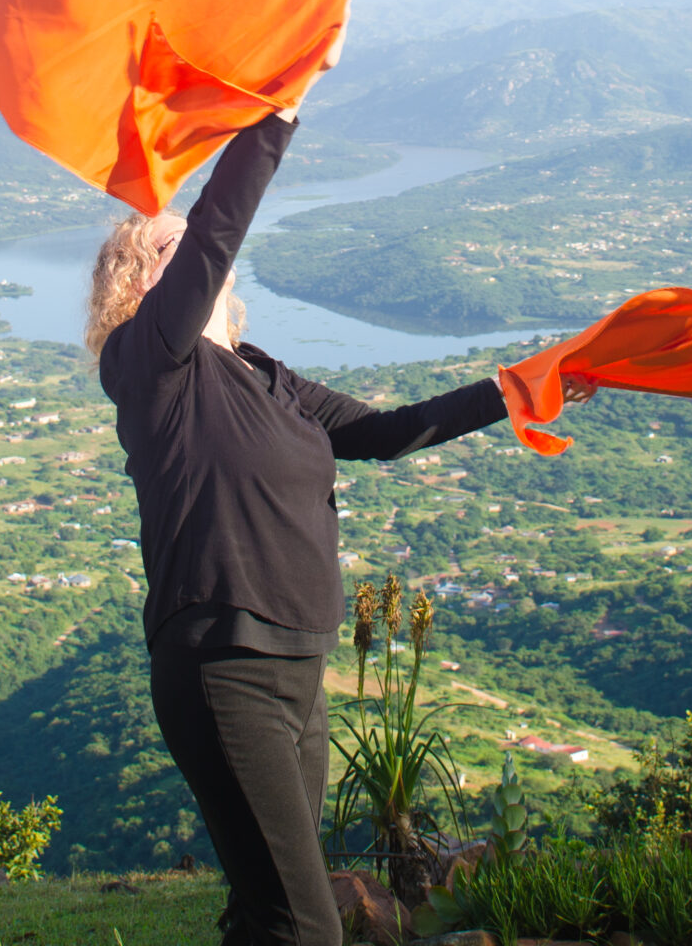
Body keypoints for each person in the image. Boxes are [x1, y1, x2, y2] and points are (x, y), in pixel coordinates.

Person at [86, 112, 591, 946]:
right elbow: (218, 227)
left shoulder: (263, 376)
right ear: (143, 280)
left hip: (297, 669)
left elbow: (388, 432)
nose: (208, 250)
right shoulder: (147, 367)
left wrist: (523, 390)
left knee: (267, 913)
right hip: (223, 669)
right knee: (306, 929)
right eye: (173, 245)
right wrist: (274, 114)